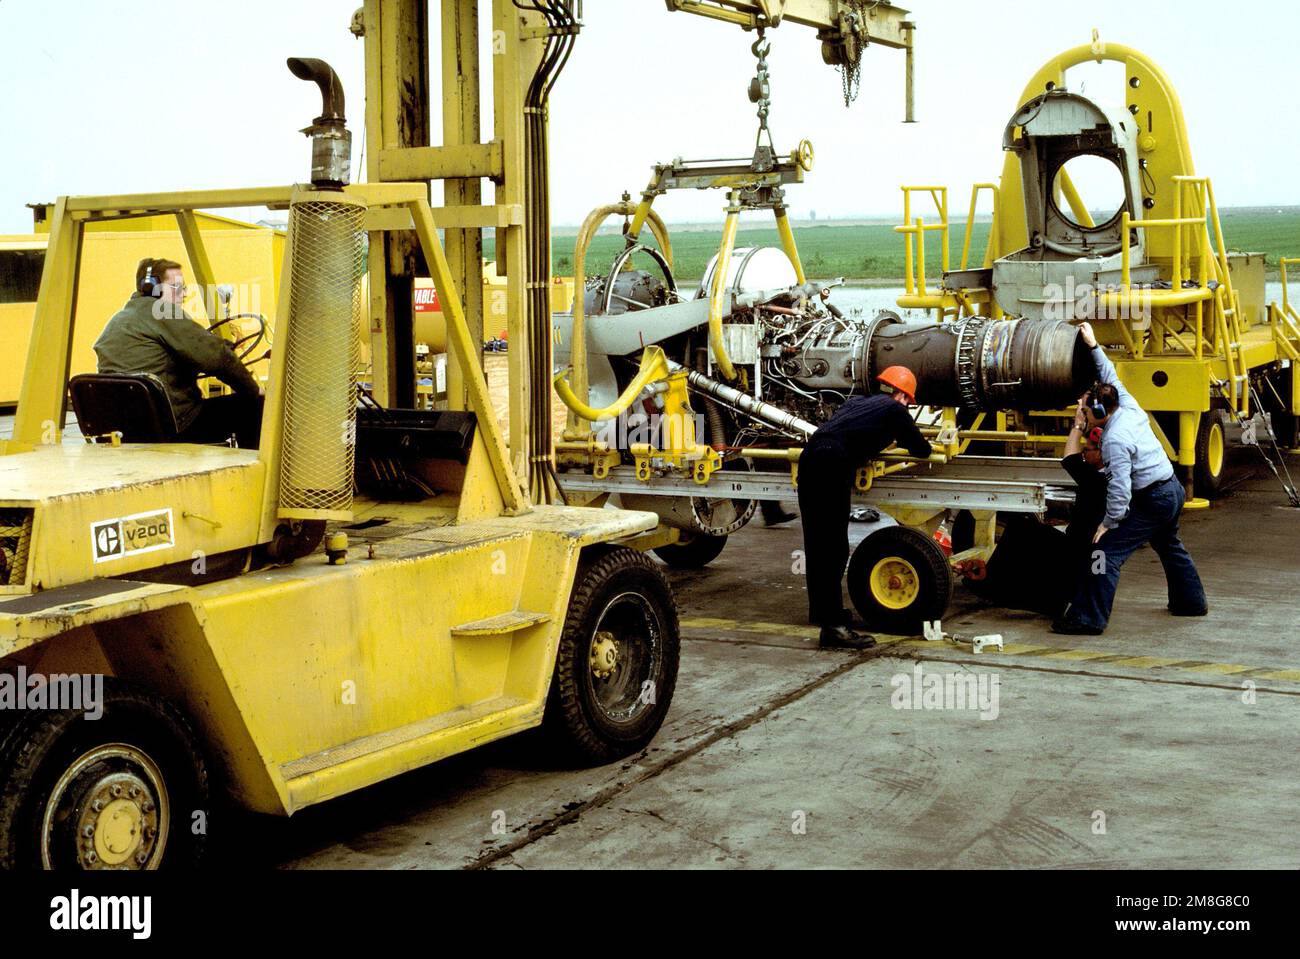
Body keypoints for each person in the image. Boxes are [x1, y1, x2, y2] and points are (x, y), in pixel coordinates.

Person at [1052, 322, 1208, 635]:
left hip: (1154, 498)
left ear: (1098, 410)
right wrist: (1093, 345)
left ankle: (1088, 618)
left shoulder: (1115, 440)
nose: (1081, 413)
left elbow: (1121, 491)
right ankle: (1191, 602)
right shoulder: (1126, 403)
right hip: (1172, 490)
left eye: (1085, 410)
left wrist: (1108, 523)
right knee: (1169, 545)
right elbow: (1108, 372)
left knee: (1104, 554)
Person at [798, 366, 934, 650]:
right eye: (909, 401)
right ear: (902, 395)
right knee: (833, 548)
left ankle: (824, 615)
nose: (908, 405)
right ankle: (833, 628)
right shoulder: (895, 411)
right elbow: (921, 449)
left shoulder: (857, 403)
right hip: (831, 464)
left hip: (810, 459)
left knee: (817, 544)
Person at [93, 258, 264, 449]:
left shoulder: (120, 318)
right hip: (173, 426)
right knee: (255, 406)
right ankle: (258, 473)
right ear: (151, 287)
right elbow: (218, 358)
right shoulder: (164, 312)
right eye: (177, 286)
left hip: (126, 429)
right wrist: (254, 390)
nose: (183, 294)